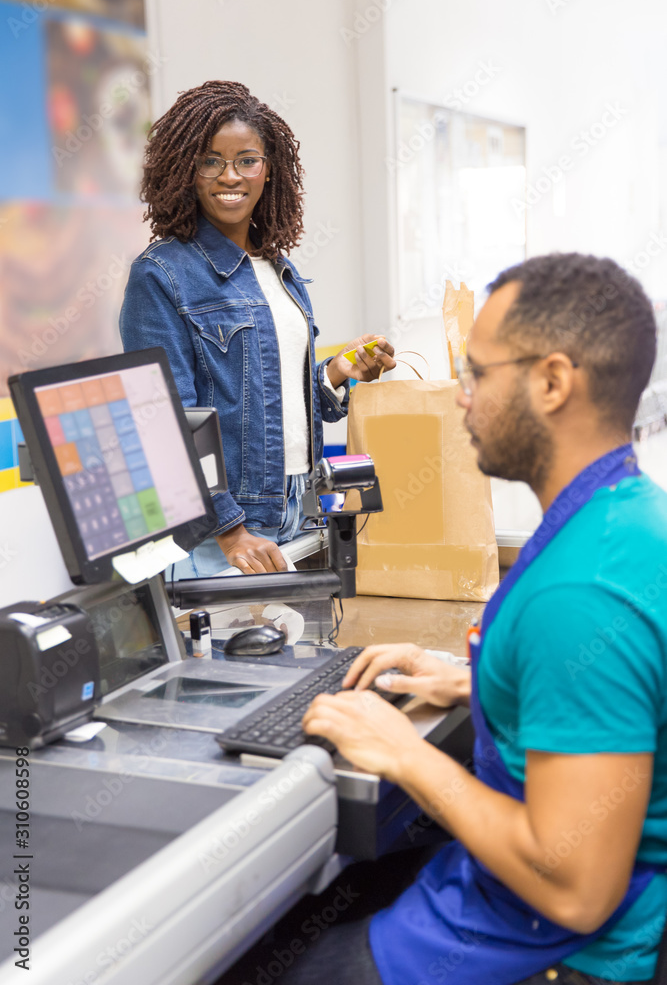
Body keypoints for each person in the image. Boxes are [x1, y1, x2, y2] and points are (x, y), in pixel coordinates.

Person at [284, 253, 667, 985]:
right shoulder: (624, 517)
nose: (460, 398)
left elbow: (575, 888)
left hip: (553, 948)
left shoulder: (579, 592)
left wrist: (402, 749)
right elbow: (611, 694)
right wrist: (483, 681)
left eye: (478, 375)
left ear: (552, 382)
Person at [120, 80, 395, 576]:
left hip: (298, 508)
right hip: (224, 532)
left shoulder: (277, 268)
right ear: (186, 169)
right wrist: (229, 530)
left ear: (268, 171)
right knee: (226, 654)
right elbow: (163, 420)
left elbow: (272, 400)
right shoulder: (161, 274)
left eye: (247, 159)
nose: (231, 175)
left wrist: (335, 373)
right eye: (211, 160)